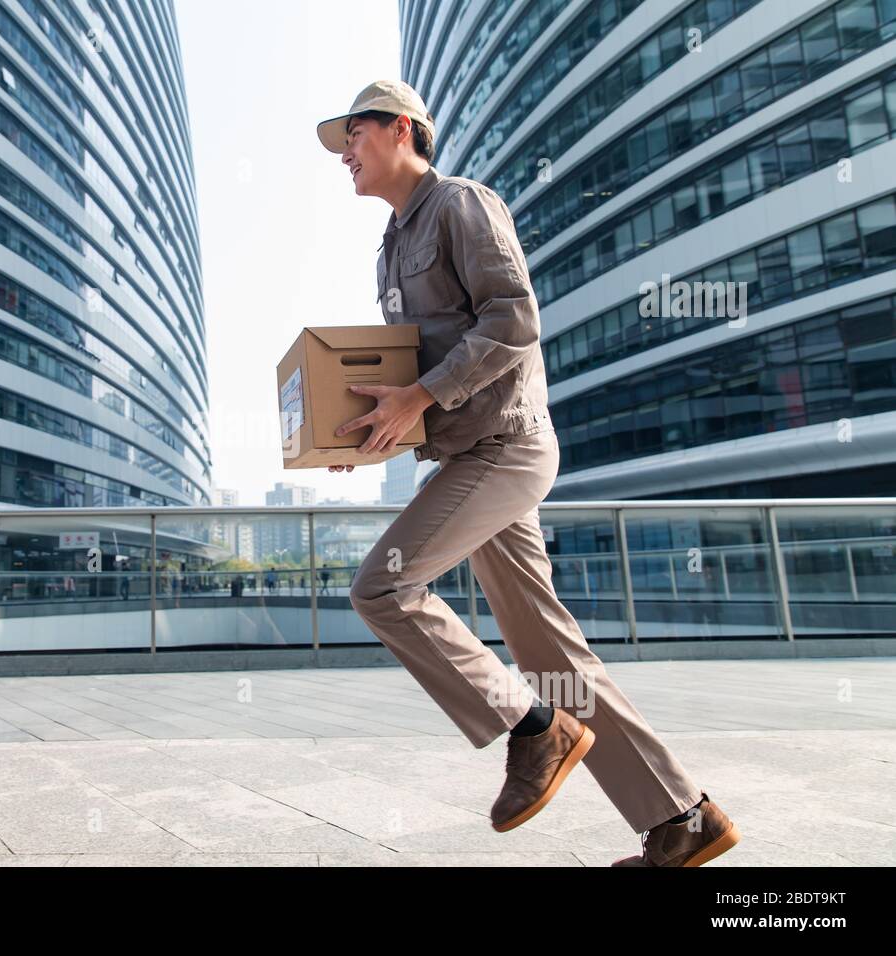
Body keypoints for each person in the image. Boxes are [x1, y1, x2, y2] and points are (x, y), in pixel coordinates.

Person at [315, 80, 739, 867]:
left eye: (355, 132)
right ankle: (683, 817)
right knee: (551, 654)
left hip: (505, 448)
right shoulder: (391, 246)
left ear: (402, 127)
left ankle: (536, 729)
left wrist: (419, 395)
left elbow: (514, 319)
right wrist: (370, 430)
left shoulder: (462, 205)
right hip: (467, 450)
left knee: (384, 587)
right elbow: (422, 375)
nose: (344, 151)